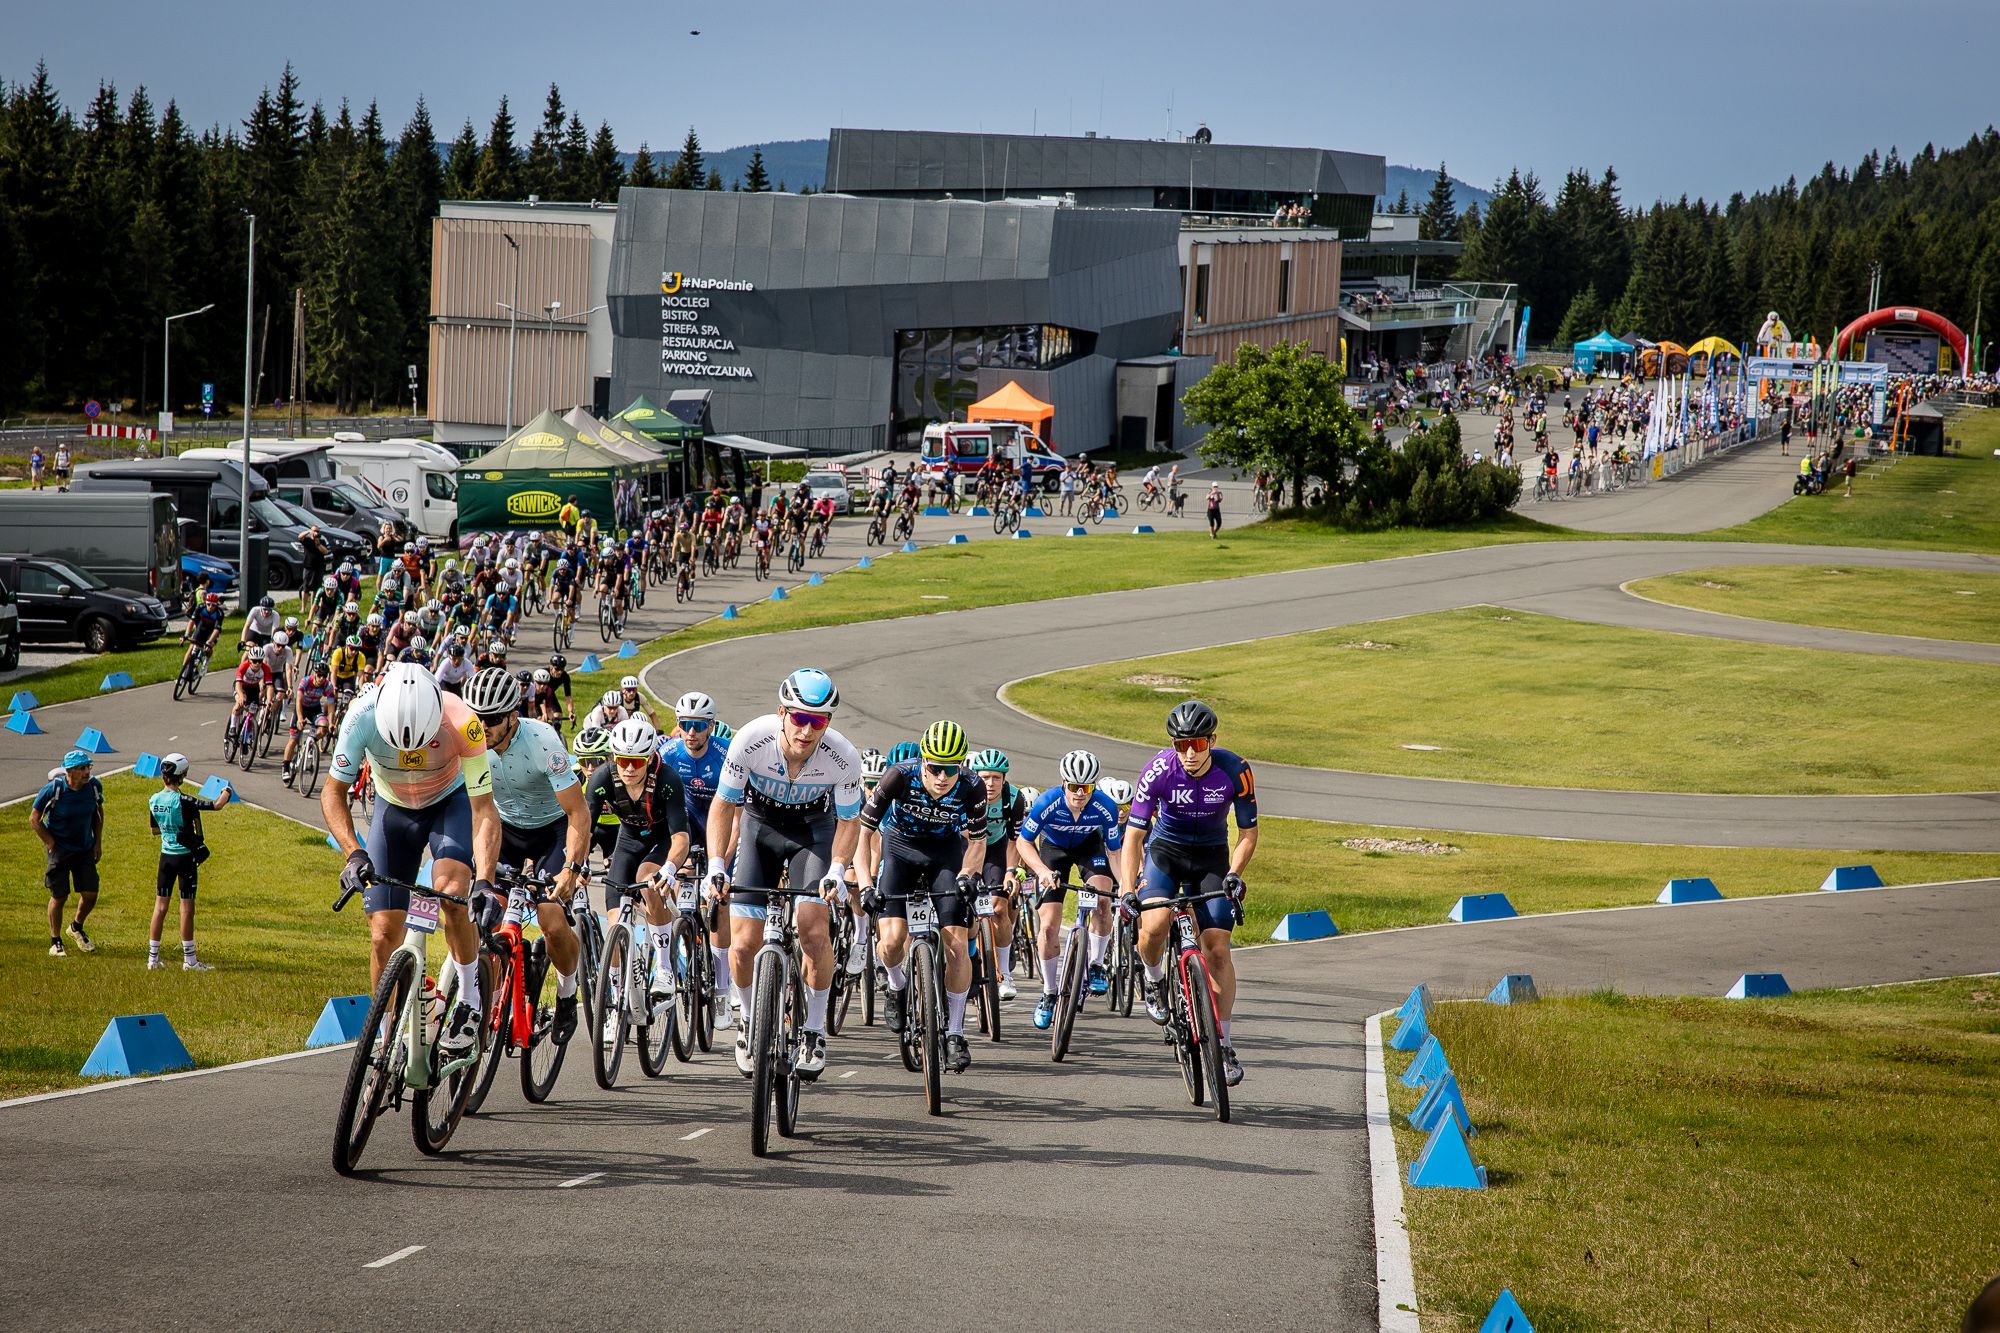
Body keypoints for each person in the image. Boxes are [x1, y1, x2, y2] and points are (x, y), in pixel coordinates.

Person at [323, 662, 500, 1052]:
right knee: (383, 933)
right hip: (393, 810)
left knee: (452, 893)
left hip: (448, 805)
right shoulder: (360, 716)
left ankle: (470, 999)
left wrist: (484, 879)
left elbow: (484, 809)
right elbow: (332, 793)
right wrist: (354, 853)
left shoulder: (463, 721)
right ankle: (386, 1035)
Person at [708, 667, 864, 1080]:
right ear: (782, 713)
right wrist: (715, 866)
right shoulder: (751, 740)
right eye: (799, 718)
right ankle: (747, 1018)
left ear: (828, 723)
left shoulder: (843, 756)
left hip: (813, 833)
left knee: (813, 930)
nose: (808, 729)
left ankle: (813, 1028)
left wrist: (836, 869)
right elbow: (723, 806)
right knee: (742, 946)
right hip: (760, 827)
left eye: (819, 721)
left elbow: (850, 822)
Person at [1123, 700, 1258, 1087]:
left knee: (1217, 948)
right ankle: (1152, 979)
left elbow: (1247, 833)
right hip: (1165, 854)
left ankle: (1226, 1043)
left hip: (1212, 857)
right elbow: (1134, 835)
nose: (1189, 753)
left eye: (1197, 744)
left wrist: (1234, 873)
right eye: (1180, 745)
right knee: (1153, 925)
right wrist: (1128, 890)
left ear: (1212, 741)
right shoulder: (1158, 770)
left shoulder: (1235, 770)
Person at [462, 668, 589, 1046]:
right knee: (481, 915)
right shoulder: (469, 742)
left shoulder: (542, 742)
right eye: (476, 718)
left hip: (549, 832)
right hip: (505, 830)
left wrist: (571, 869)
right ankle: (479, 998)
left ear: (512, 717)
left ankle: (567, 993)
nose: (482, 727)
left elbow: (578, 814)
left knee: (550, 921)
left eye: (492, 720)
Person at [858, 720, 988, 1074]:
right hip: (899, 849)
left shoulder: (973, 787)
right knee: (890, 942)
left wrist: (966, 875)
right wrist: (867, 883)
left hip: (945, 854)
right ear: (923, 762)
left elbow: (977, 842)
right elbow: (863, 833)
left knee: (957, 945)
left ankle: (956, 1033)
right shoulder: (899, 775)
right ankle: (897, 986)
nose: (943, 777)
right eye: (934, 768)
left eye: (951, 768)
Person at [581, 714, 691, 1029]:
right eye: (623, 760)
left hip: (660, 843)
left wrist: (670, 869)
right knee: (615, 927)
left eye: (637, 761)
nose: (629, 768)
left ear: (650, 758)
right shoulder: (602, 779)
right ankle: (616, 1002)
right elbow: (585, 830)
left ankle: (665, 968)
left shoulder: (667, 779)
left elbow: (680, 837)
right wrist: (577, 864)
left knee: (647, 881)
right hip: (627, 842)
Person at [1014, 749, 1125, 1027]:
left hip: (1089, 847)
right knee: (1049, 926)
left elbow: (1114, 852)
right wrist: (1040, 872)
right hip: (1054, 850)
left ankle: (1097, 963)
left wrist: (1126, 885)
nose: (1079, 793)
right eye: (1073, 787)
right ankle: (1049, 993)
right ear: (1064, 783)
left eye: (1086, 787)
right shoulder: (1046, 803)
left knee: (1102, 897)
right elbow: (1023, 842)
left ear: (1093, 786)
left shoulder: (1105, 807)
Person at [147, 755, 229, 970]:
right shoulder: (184, 800)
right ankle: (190, 960)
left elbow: (154, 830)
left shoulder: (154, 799)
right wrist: (226, 791)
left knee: (160, 907)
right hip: (184, 858)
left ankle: (152, 959)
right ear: (182, 775)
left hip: (165, 857)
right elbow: (217, 806)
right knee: (186, 909)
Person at [35, 749, 106, 957]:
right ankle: (55, 941)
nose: (87, 772)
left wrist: (97, 842)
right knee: (59, 896)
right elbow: (34, 819)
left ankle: (76, 926)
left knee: (91, 893)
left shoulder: (93, 787)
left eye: (88, 767)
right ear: (70, 771)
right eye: (82, 769)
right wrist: (50, 843)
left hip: (84, 848)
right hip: (61, 849)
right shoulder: (54, 790)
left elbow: (98, 813)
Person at [968, 747, 1026, 1001]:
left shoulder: (1014, 799)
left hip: (997, 851)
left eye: (996, 778)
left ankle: (1004, 972)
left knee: (999, 908)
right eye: (984, 777)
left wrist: (1011, 872)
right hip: (968, 849)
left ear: (1004, 779)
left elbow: (1015, 840)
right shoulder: (966, 793)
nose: (990, 783)